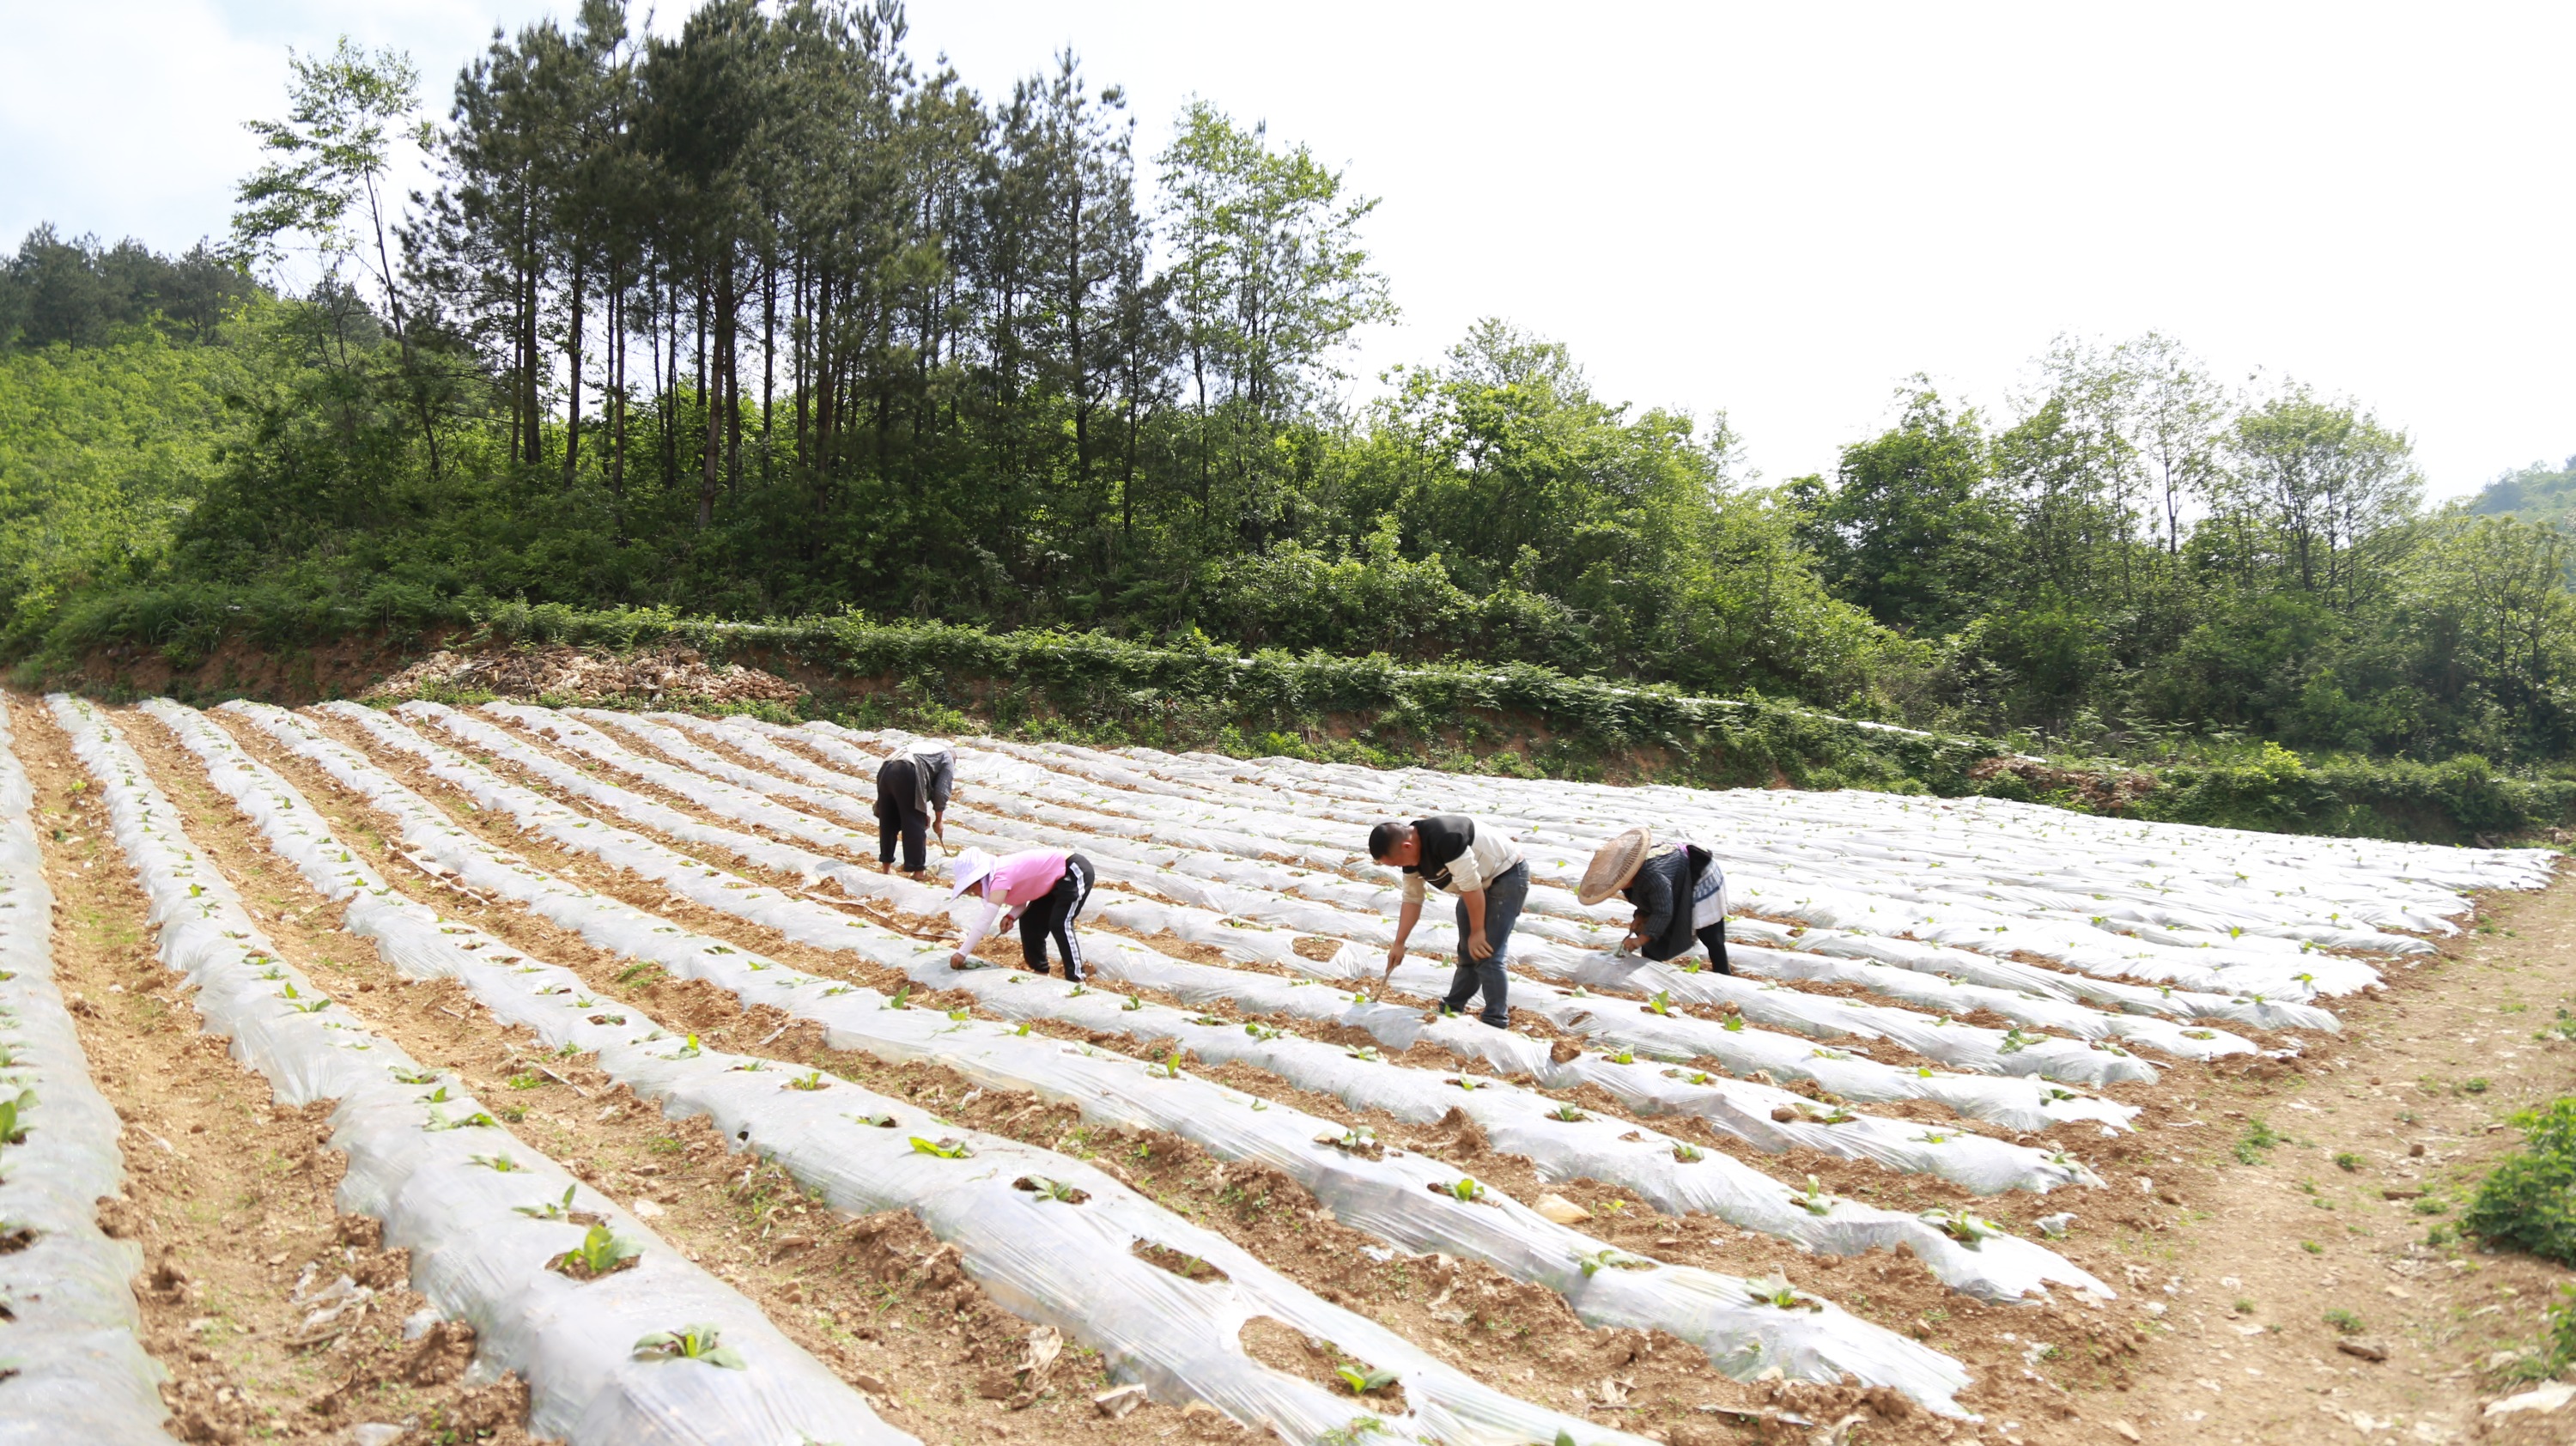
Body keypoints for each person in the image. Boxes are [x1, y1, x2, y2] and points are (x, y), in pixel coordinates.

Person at [1367, 815, 1528, 1029]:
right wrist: (1399, 943)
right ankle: (1453, 1007)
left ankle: (1495, 1021)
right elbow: (1412, 900)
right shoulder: (1411, 855)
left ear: (1406, 846)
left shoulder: (1445, 837)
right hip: (1476, 885)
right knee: (1467, 952)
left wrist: (1478, 931)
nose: (1399, 867)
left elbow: (1472, 886)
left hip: (1506, 876)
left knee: (1486, 952)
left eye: (1396, 863)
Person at [1578, 828, 1728, 972]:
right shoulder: (1630, 881)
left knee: (1709, 934)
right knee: (1647, 928)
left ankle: (1722, 972)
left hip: (1699, 873)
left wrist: (1640, 941)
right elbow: (1648, 903)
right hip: (1674, 881)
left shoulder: (1652, 876)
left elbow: (1663, 911)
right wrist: (1639, 917)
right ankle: (1651, 969)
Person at [946, 847, 1096, 981]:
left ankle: (1076, 978)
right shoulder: (997, 876)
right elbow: (1023, 897)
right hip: (1053, 881)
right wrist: (1011, 916)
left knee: (1060, 923)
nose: (974, 893)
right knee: (1030, 922)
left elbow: (985, 920)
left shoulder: (999, 877)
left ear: (979, 880)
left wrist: (962, 953)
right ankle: (1041, 972)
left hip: (1072, 869)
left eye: (972, 889)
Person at [873, 738, 955, 877]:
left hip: (886, 769)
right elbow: (941, 791)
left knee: (889, 821)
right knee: (914, 822)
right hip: (908, 769)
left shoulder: (927, 749)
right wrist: (938, 820)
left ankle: (886, 868)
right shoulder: (947, 758)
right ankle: (918, 872)